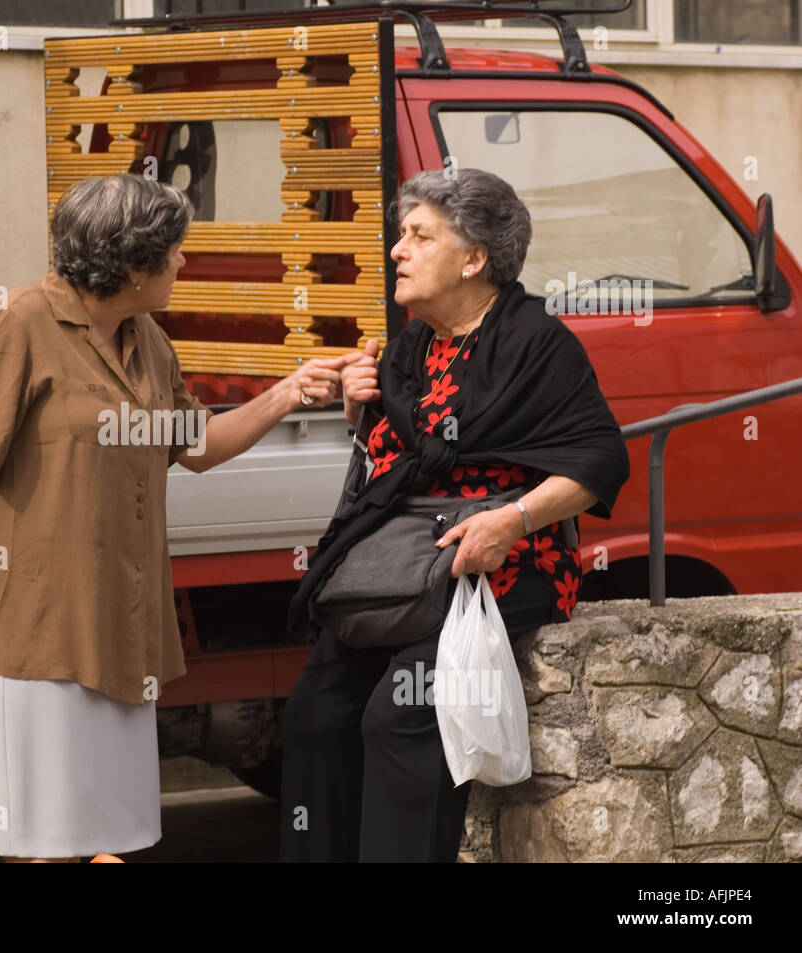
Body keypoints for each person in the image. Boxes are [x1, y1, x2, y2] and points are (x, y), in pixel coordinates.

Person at [0, 173, 355, 863]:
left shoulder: (146, 341)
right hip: (38, 637)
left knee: (107, 837)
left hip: (121, 634)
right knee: (42, 845)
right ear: (131, 262)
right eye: (173, 251)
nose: (183, 263)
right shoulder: (13, 327)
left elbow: (194, 446)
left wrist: (289, 392)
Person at [280, 167, 631, 863]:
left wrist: (512, 520)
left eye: (418, 236)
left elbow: (597, 463)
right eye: (400, 234)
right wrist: (362, 406)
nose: (396, 251)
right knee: (316, 713)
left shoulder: (538, 344)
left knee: (400, 715)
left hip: (501, 563)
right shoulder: (412, 344)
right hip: (405, 560)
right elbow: (394, 454)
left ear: (474, 258)